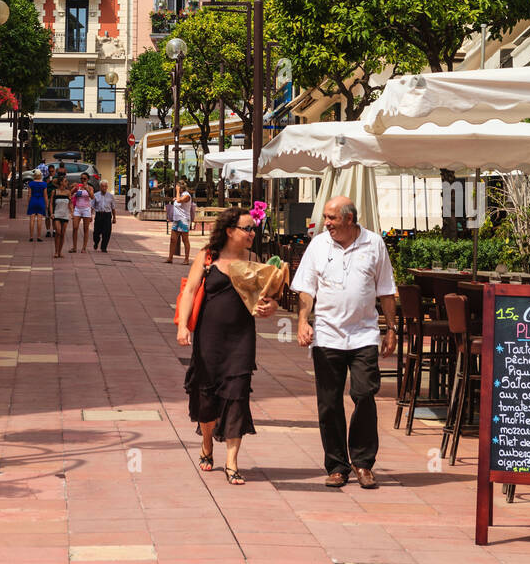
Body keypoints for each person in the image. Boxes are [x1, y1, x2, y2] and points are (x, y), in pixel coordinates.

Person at [292, 195, 398, 490]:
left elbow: (386, 290)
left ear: (349, 219)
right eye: (326, 217)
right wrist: (303, 322)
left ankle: (363, 462)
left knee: (364, 394)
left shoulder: (374, 243)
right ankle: (337, 466)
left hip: (363, 334)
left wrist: (391, 329)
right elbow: (305, 288)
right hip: (327, 333)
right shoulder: (319, 244)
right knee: (329, 403)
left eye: (331, 218)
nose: (326, 223)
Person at [178, 208, 279, 485]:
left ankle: (232, 462)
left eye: (253, 228)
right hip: (208, 337)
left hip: (242, 337)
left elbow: (270, 297)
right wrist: (182, 326)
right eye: (247, 228)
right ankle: (207, 443)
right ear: (229, 230)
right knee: (206, 396)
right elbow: (189, 291)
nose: (252, 233)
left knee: (237, 395)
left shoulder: (255, 260)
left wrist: (271, 306)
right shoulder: (208, 256)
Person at [166, 178, 192, 265]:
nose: (176, 188)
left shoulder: (187, 195)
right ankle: (170, 258)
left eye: (177, 187)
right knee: (173, 239)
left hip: (184, 220)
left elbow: (179, 201)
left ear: (181, 188)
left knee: (185, 240)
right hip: (176, 219)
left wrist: (177, 192)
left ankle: (186, 259)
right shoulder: (180, 195)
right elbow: (177, 201)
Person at [69, 172, 94, 253]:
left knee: (85, 229)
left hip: (86, 209)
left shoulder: (90, 187)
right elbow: (70, 193)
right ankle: (74, 247)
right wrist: (74, 188)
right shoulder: (78, 187)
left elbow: (92, 197)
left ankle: (84, 248)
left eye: (84, 179)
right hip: (77, 209)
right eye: (81, 179)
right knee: (75, 227)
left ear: (87, 179)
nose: (83, 180)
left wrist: (86, 188)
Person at [92, 179, 116, 253]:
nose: (104, 188)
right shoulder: (96, 195)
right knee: (96, 232)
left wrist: (114, 217)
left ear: (107, 187)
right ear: (100, 187)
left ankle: (104, 247)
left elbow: (113, 207)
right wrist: (90, 215)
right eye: (102, 186)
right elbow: (92, 206)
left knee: (107, 232)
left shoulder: (110, 196)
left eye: (105, 186)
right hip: (99, 214)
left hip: (107, 215)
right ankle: (96, 242)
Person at [51, 175, 72, 259]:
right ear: (61, 182)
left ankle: (60, 252)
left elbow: (70, 203)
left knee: (63, 234)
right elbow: (51, 203)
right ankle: (56, 251)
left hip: (65, 214)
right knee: (58, 232)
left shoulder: (68, 192)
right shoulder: (54, 191)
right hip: (57, 213)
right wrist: (51, 213)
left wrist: (72, 212)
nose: (67, 183)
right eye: (65, 181)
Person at [26, 168, 48, 241]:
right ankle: (39, 236)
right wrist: (47, 204)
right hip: (41, 201)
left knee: (32, 219)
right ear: (40, 175)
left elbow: (29, 194)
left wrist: (28, 203)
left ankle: (31, 236)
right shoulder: (44, 184)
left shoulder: (31, 183)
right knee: (39, 219)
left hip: (33, 200)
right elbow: (45, 195)